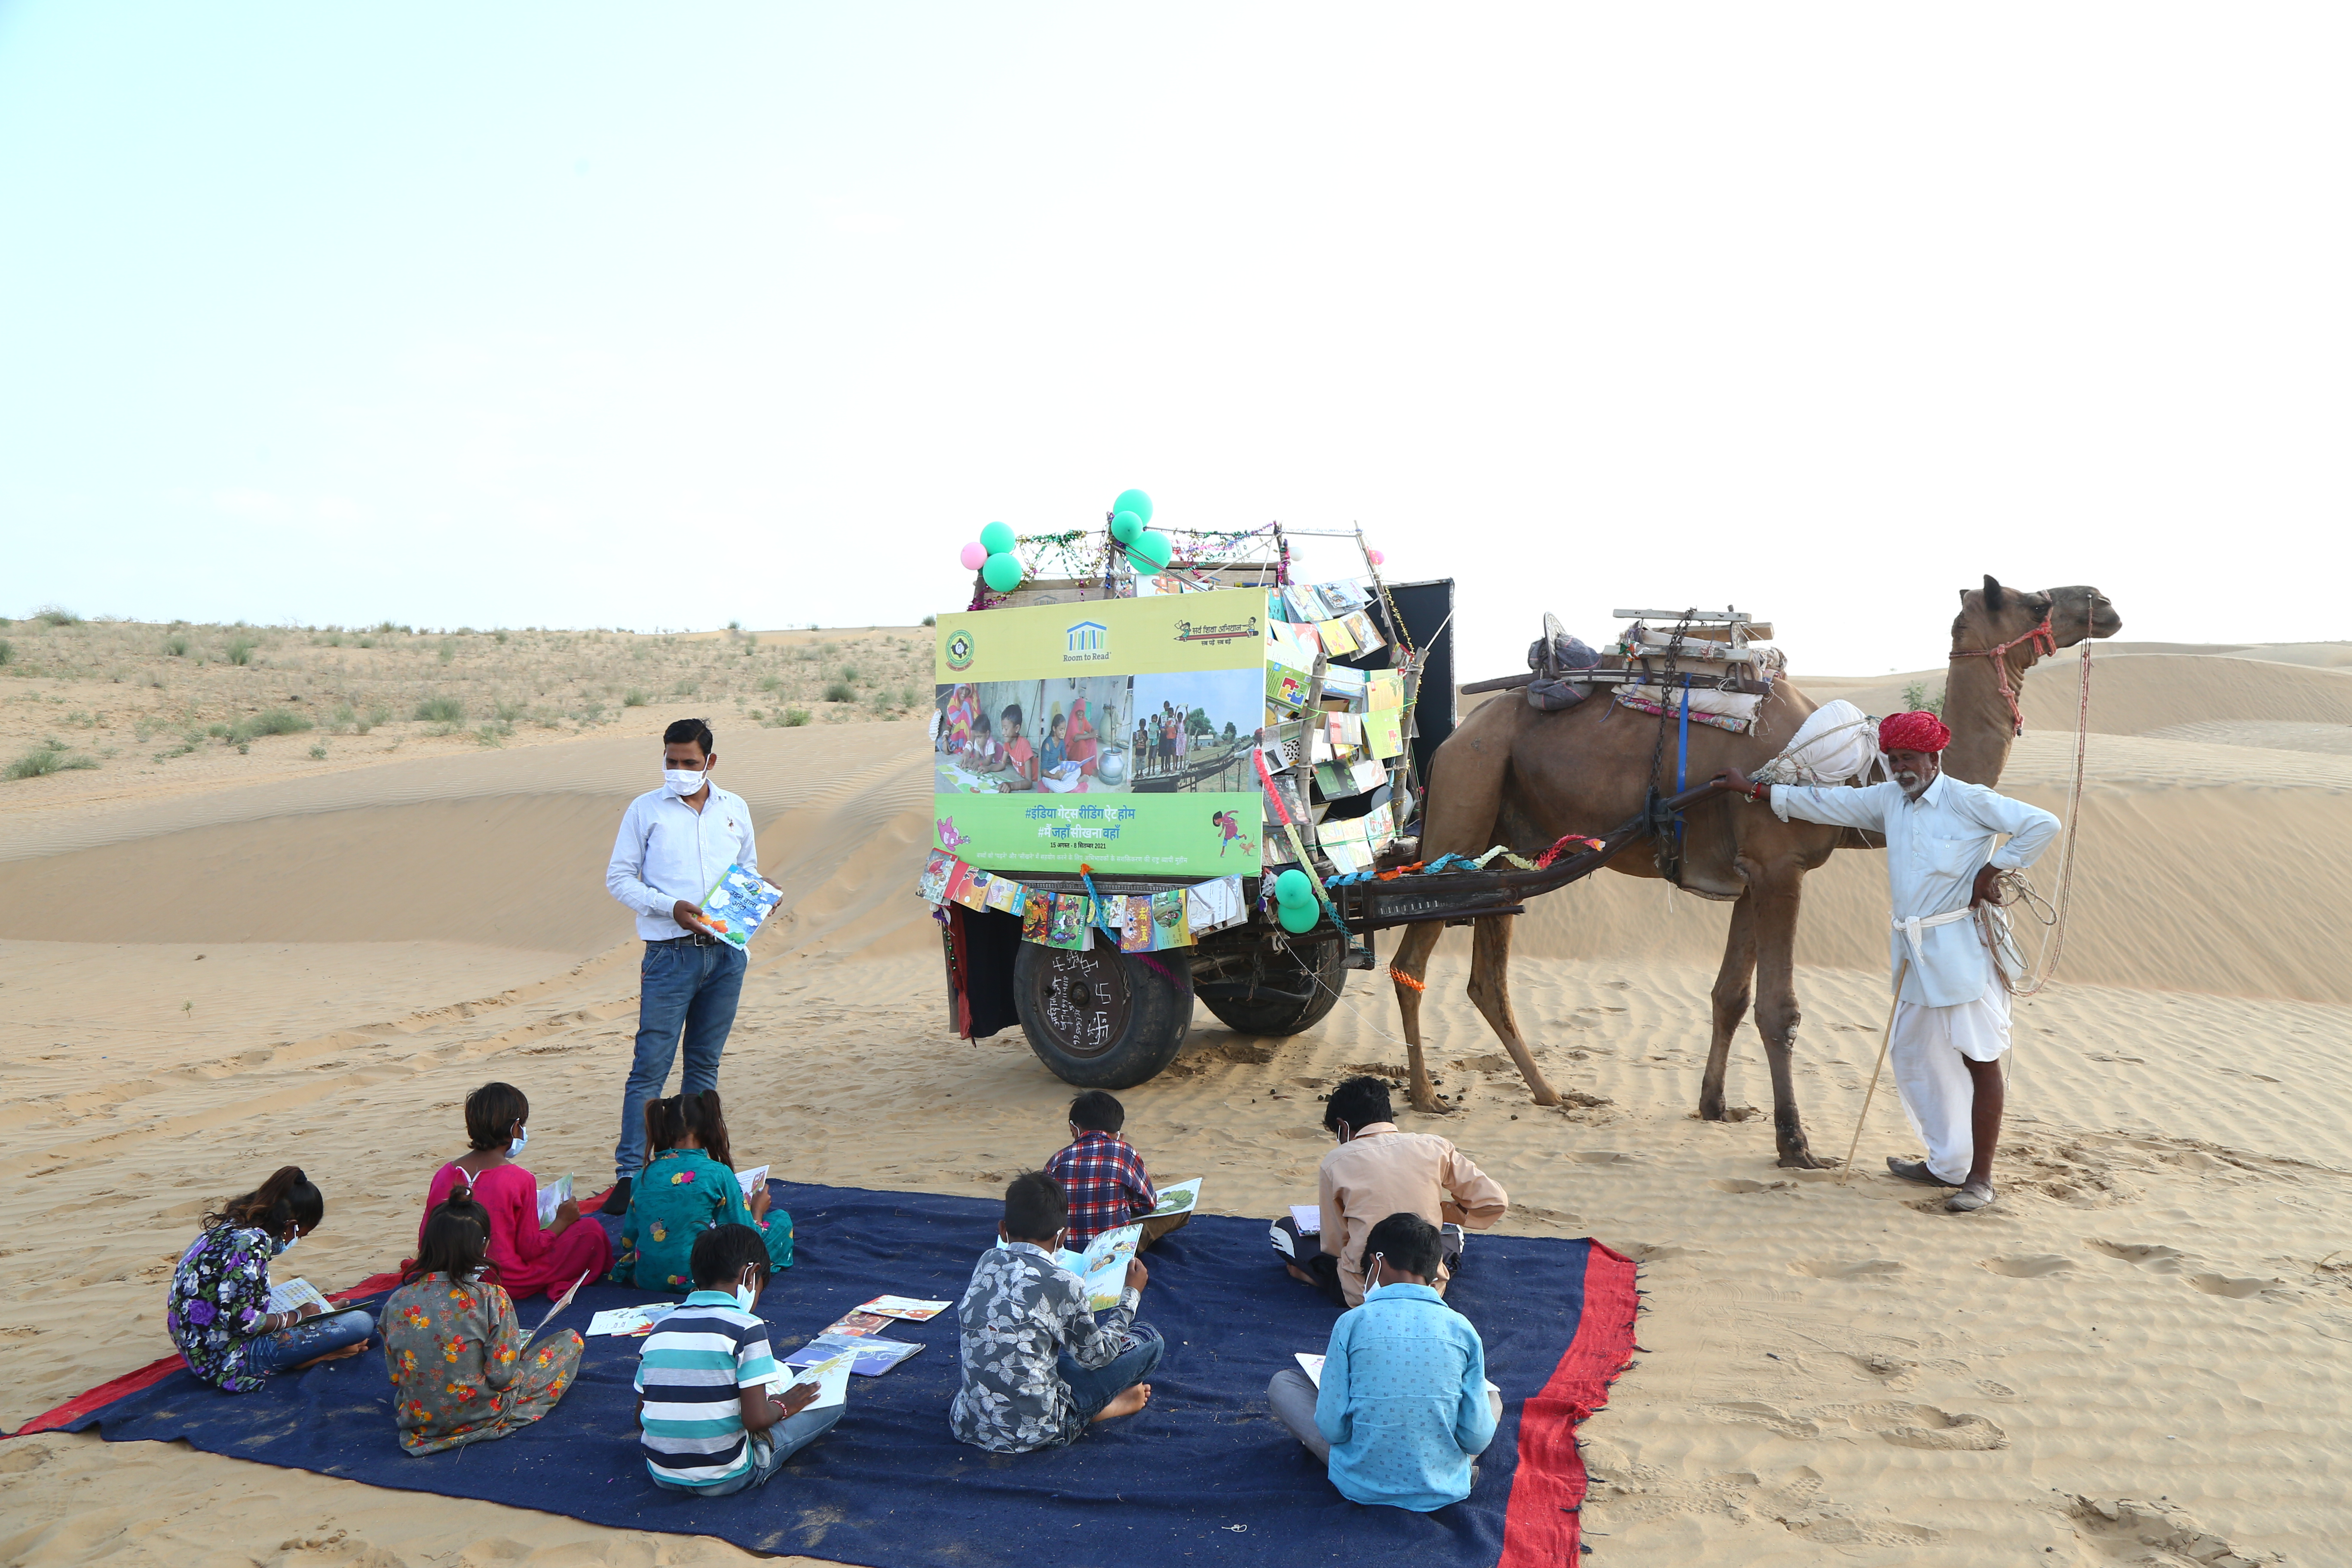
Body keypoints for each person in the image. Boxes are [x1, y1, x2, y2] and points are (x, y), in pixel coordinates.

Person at [1717, 709, 2060, 1212]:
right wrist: (1755, 791)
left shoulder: (1969, 800)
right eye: (1893, 758)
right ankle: (1946, 1164)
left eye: (1910, 758)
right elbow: (1827, 802)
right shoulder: (1888, 800)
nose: (1901, 767)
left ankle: (1980, 1180)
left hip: (1961, 950)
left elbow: (2042, 823)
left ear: (1933, 756)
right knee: (1914, 1054)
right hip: (1912, 956)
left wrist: (1995, 868)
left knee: (1979, 1057)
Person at [603, 717, 760, 1214]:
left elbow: (748, 871)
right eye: (671, 762)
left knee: (704, 1064)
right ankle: (631, 1172)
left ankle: (695, 1165)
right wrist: (668, 907)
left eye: (689, 763)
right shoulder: (645, 810)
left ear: (710, 762)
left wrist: (760, 893)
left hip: (727, 953)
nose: (678, 771)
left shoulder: (735, 809)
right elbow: (619, 878)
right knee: (650, 1066)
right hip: (670, 953)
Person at [1266, 1212, 1502, 1510]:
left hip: (1361, 1483)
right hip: (1442, 1483)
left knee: (1283, 1384)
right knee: (1491, 1396)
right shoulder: (1462, 1328)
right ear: (1435, 1270)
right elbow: (1476, 1439)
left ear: (1376, 1263)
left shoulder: (1351, 1323)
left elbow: (1333, 1429)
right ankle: (1452, 1472)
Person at [949, 1172, 1161, 1453]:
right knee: (1148, 1339)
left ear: (1003, 1230)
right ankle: (1095, 1410)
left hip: (968, 1423)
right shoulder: (1064, 1282)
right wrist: (1131, 1294)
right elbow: (1096, 1357)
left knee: (1031, 1352)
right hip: (1040, 1431)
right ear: (1064, 1236)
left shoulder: (988, 1260)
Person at [635, 1224, 841, 1494]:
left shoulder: (661, 1327)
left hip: (662, 1474)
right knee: (832, 1403)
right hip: (729, 1475)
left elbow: (640, 1417)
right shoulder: (747, 1326)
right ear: (752, 1275)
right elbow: (755, 1420)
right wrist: (784, 1404)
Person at [1272, 1075, 1508, 1306]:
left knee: (1284, 1229)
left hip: (1363, 1293)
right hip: (1430, 1286)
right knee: (1449, 1233)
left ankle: (1312, 1276)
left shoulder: (1336, 1161)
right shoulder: (1435, 1146)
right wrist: (1442, 1212)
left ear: (1343, 1126)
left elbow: (1335, 1244)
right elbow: (1493, 1201)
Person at [383, 1188, 584, 1455]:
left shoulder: (397, 1301)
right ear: (485, 1245)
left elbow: (397, 1376)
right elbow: (502, 1377)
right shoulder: (491, 1297)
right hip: (484, 1414)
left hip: (422, 1419)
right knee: (570, 1342)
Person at [165, 1165, 375, 1392]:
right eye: (300, 1236)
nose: (296, 1241)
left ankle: (315, 1327)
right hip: (226, 1360)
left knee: (308, 1290)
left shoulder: (232, 1226)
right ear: (290, 1227)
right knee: (360, 1323)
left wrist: (316, 1312)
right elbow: (239, 1322)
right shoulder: (253, 1244)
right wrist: (297, 1316)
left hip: (195, 1342)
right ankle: (308, 1358)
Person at [421, 1081, 612, 1298]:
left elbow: (425, 1239)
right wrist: (562, 1222)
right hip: (503, 1280)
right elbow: (530, 1249)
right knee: (590, 1230)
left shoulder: (443, 1174)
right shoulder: (520, 1178)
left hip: (444, 1277)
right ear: (516, 1127)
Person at [610, 1090, 794, 1290]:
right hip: (700, 1279)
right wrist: (757, 1211)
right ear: (710, 1127)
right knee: (781, 1220)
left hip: (646, 1278)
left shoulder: (643, 1175)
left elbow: (628, 1242)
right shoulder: (718, 1173)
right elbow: (746, 1238)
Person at [1044, 1091, 1184, 1250]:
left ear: (1074, 1129)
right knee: (1179, 1212)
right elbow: (1147, 1205)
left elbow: (1045, 1210)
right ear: (1118, 1132)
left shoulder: (1057, 1160)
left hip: (1065, 1250)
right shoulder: (1125, 1152)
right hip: (1114, 1251)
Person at [995, 702, 1039, 792]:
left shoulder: (1024, 745)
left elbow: (1029, 782)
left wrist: (1011, 786)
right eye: (1002, 728)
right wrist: (987, 768)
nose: (1003, 733)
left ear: (1017, 728)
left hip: (1040, 775)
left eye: (1006, 729)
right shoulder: (1008, 743)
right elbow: (1002, 765)